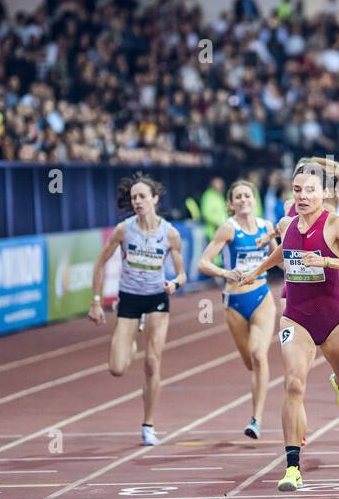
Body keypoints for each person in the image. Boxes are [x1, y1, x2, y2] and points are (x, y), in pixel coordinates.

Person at [237, 162, 339, 492]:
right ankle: (292, 468)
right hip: (296, 317)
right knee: (294, 384)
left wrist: (327, 261)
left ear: (323, 193)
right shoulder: (289, 224)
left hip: (333, 318)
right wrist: (257, 272)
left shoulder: (336, 225)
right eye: (297, 190)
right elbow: (283, 252)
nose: (302, 196)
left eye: (310, 190)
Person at [89, 173, 187, 446]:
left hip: (157, 299)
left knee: (153, 362)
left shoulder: (170, 233)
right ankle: (130, 344)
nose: (137, 201)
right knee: (117, 368)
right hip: (130, 299)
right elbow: (99, 264)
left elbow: (182, 274)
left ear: (155, 198)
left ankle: (148, 425)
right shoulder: (124, 230)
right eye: (134, 198)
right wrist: (96, 301)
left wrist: (174, 283)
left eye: (142, 196)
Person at [198, 180, 278, 439]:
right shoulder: (228, 229)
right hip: (234, 302)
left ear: (254, 200)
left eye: (247, 195)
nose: (243, 200)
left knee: (258, 355)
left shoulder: (266, 227)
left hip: (262, 296)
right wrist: (225, 272)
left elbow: (279, 260)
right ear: (230, 204)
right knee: (250, 362)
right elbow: (203, 263)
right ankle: (258, 396)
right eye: (238, 197)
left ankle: (256, 420)